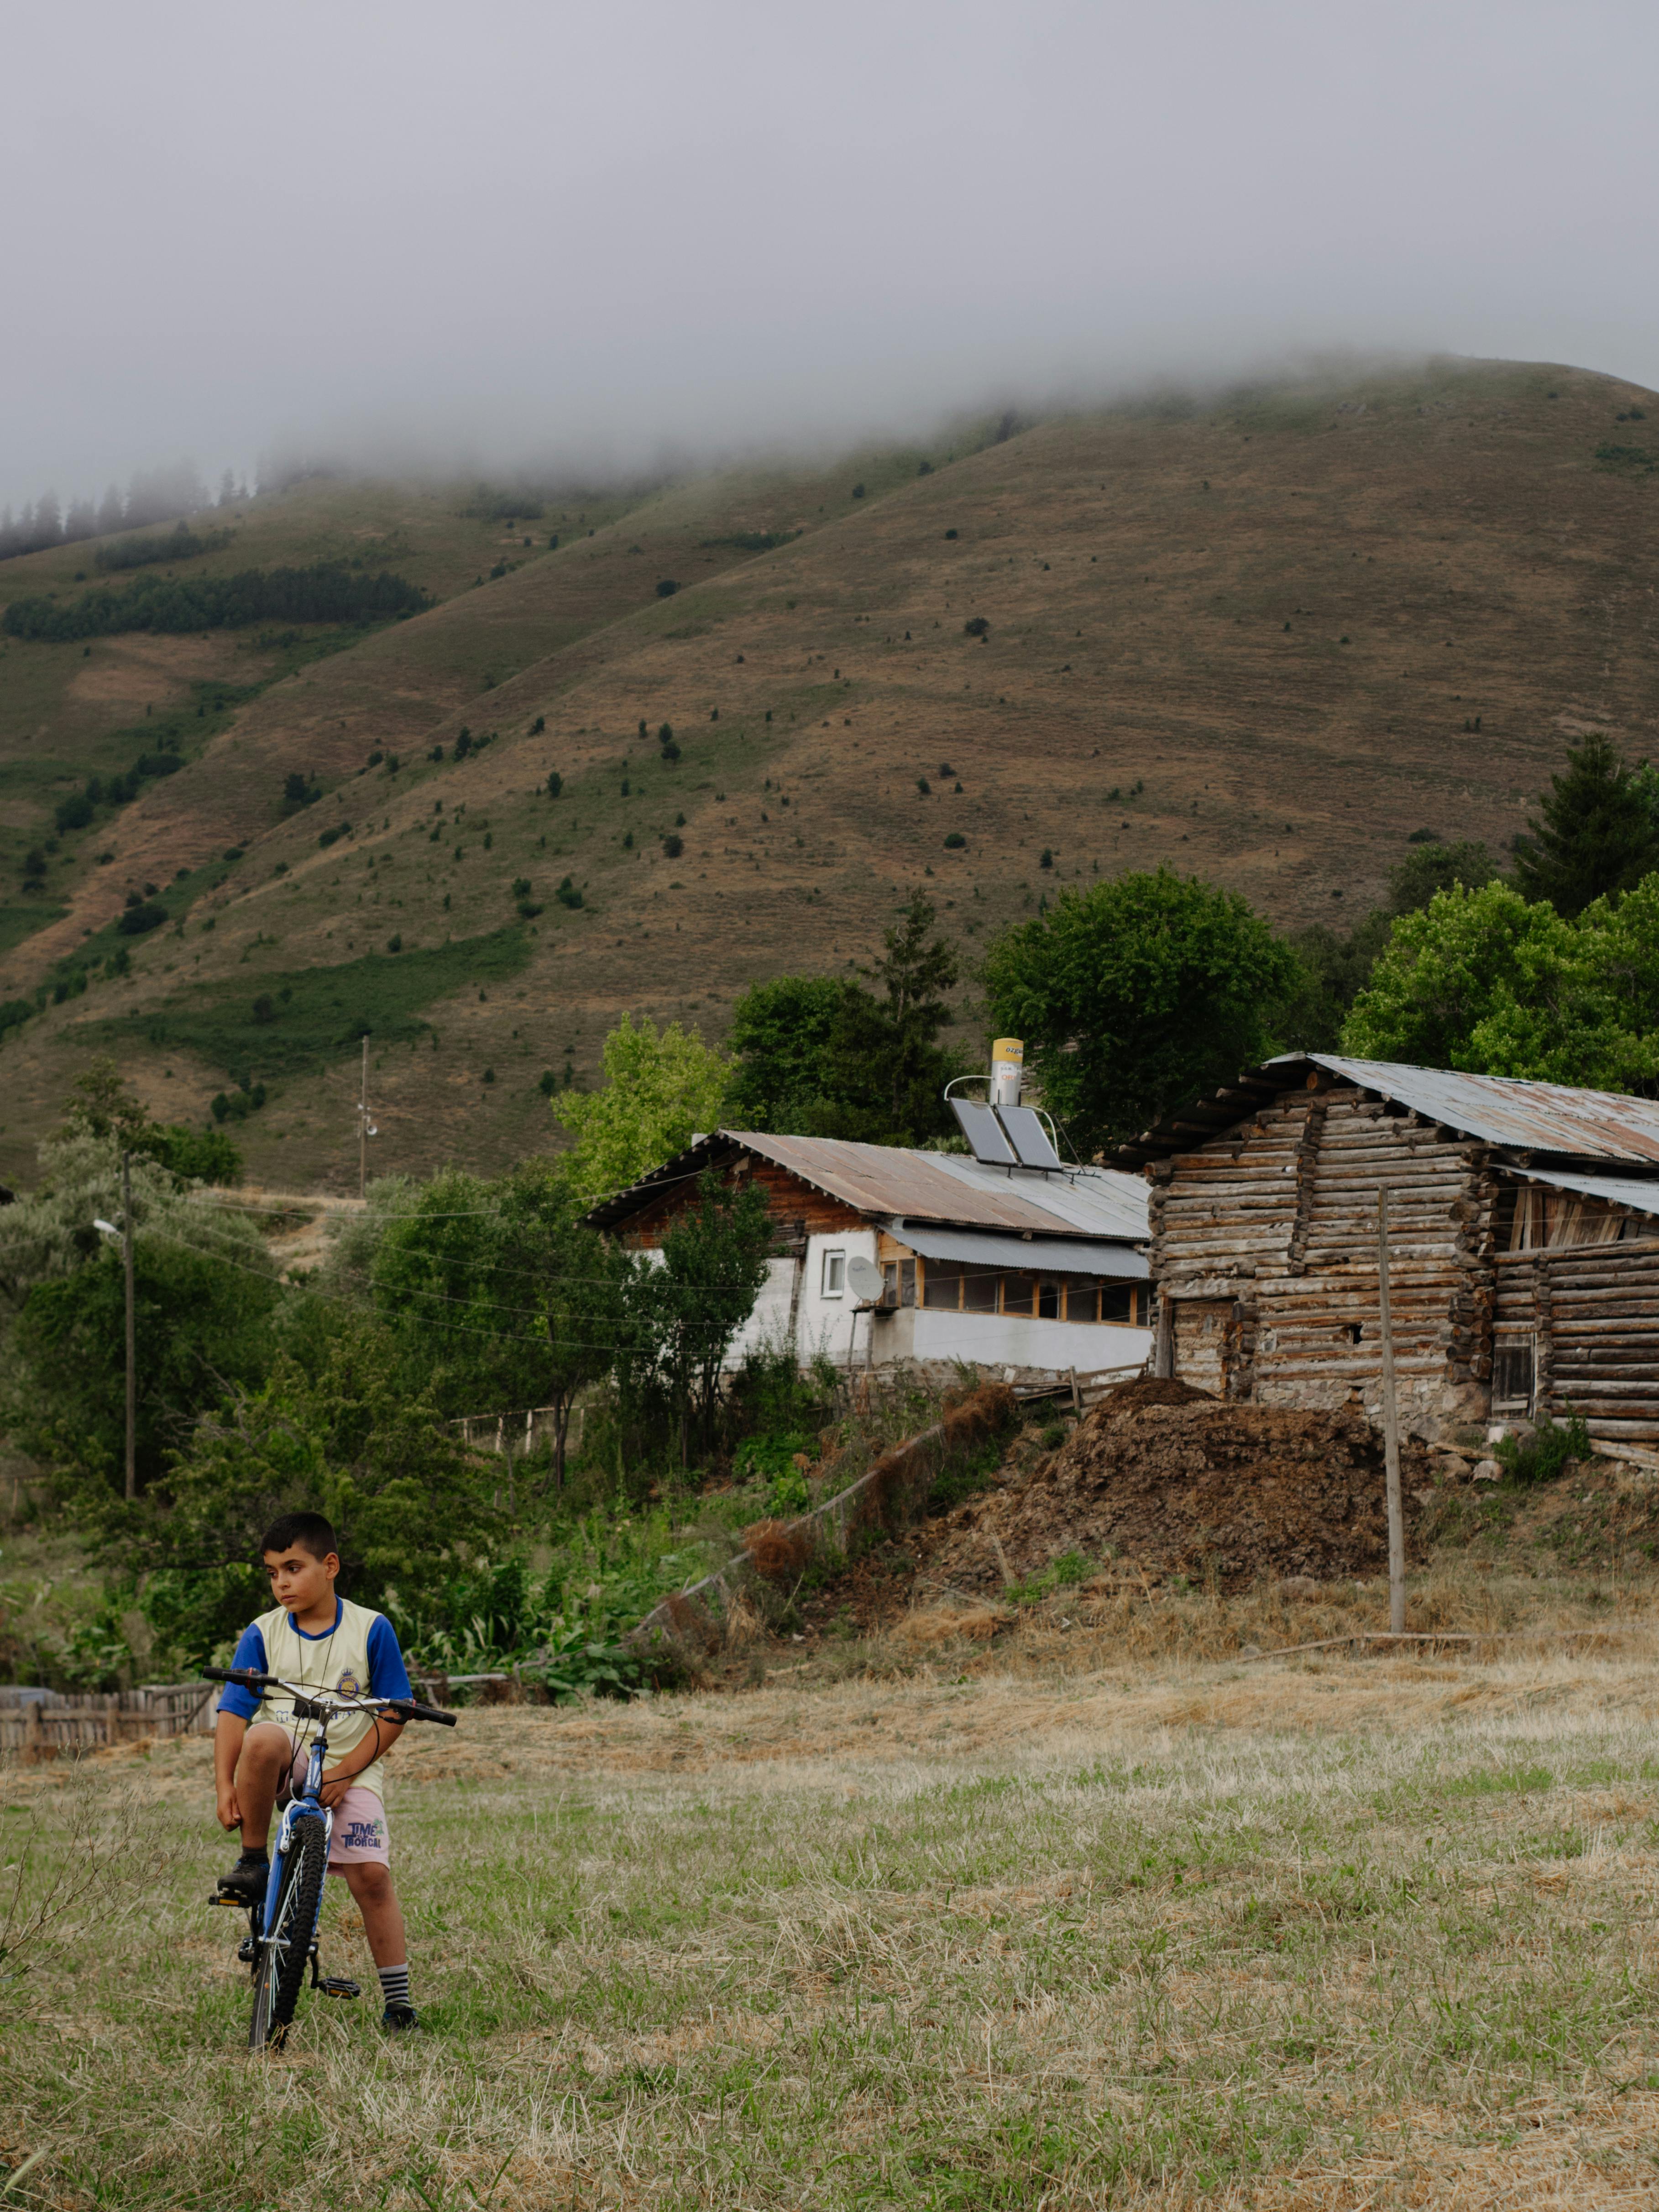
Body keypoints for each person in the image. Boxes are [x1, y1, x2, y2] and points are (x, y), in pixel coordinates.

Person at [212, 1510, 421, 2034]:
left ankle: (398, 2003)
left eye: (293, 1567)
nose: (281, 1581)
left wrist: (348, 1772)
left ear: (330, 1565)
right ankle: (255, 1861)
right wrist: (222, 1784)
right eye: (272, 1572)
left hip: (352, 1766)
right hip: (288, 1758)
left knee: (372, 1877)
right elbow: (235, 1712)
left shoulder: (371, 1627)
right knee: (261, 1737)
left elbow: (397, 1710)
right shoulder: (261, 1633)